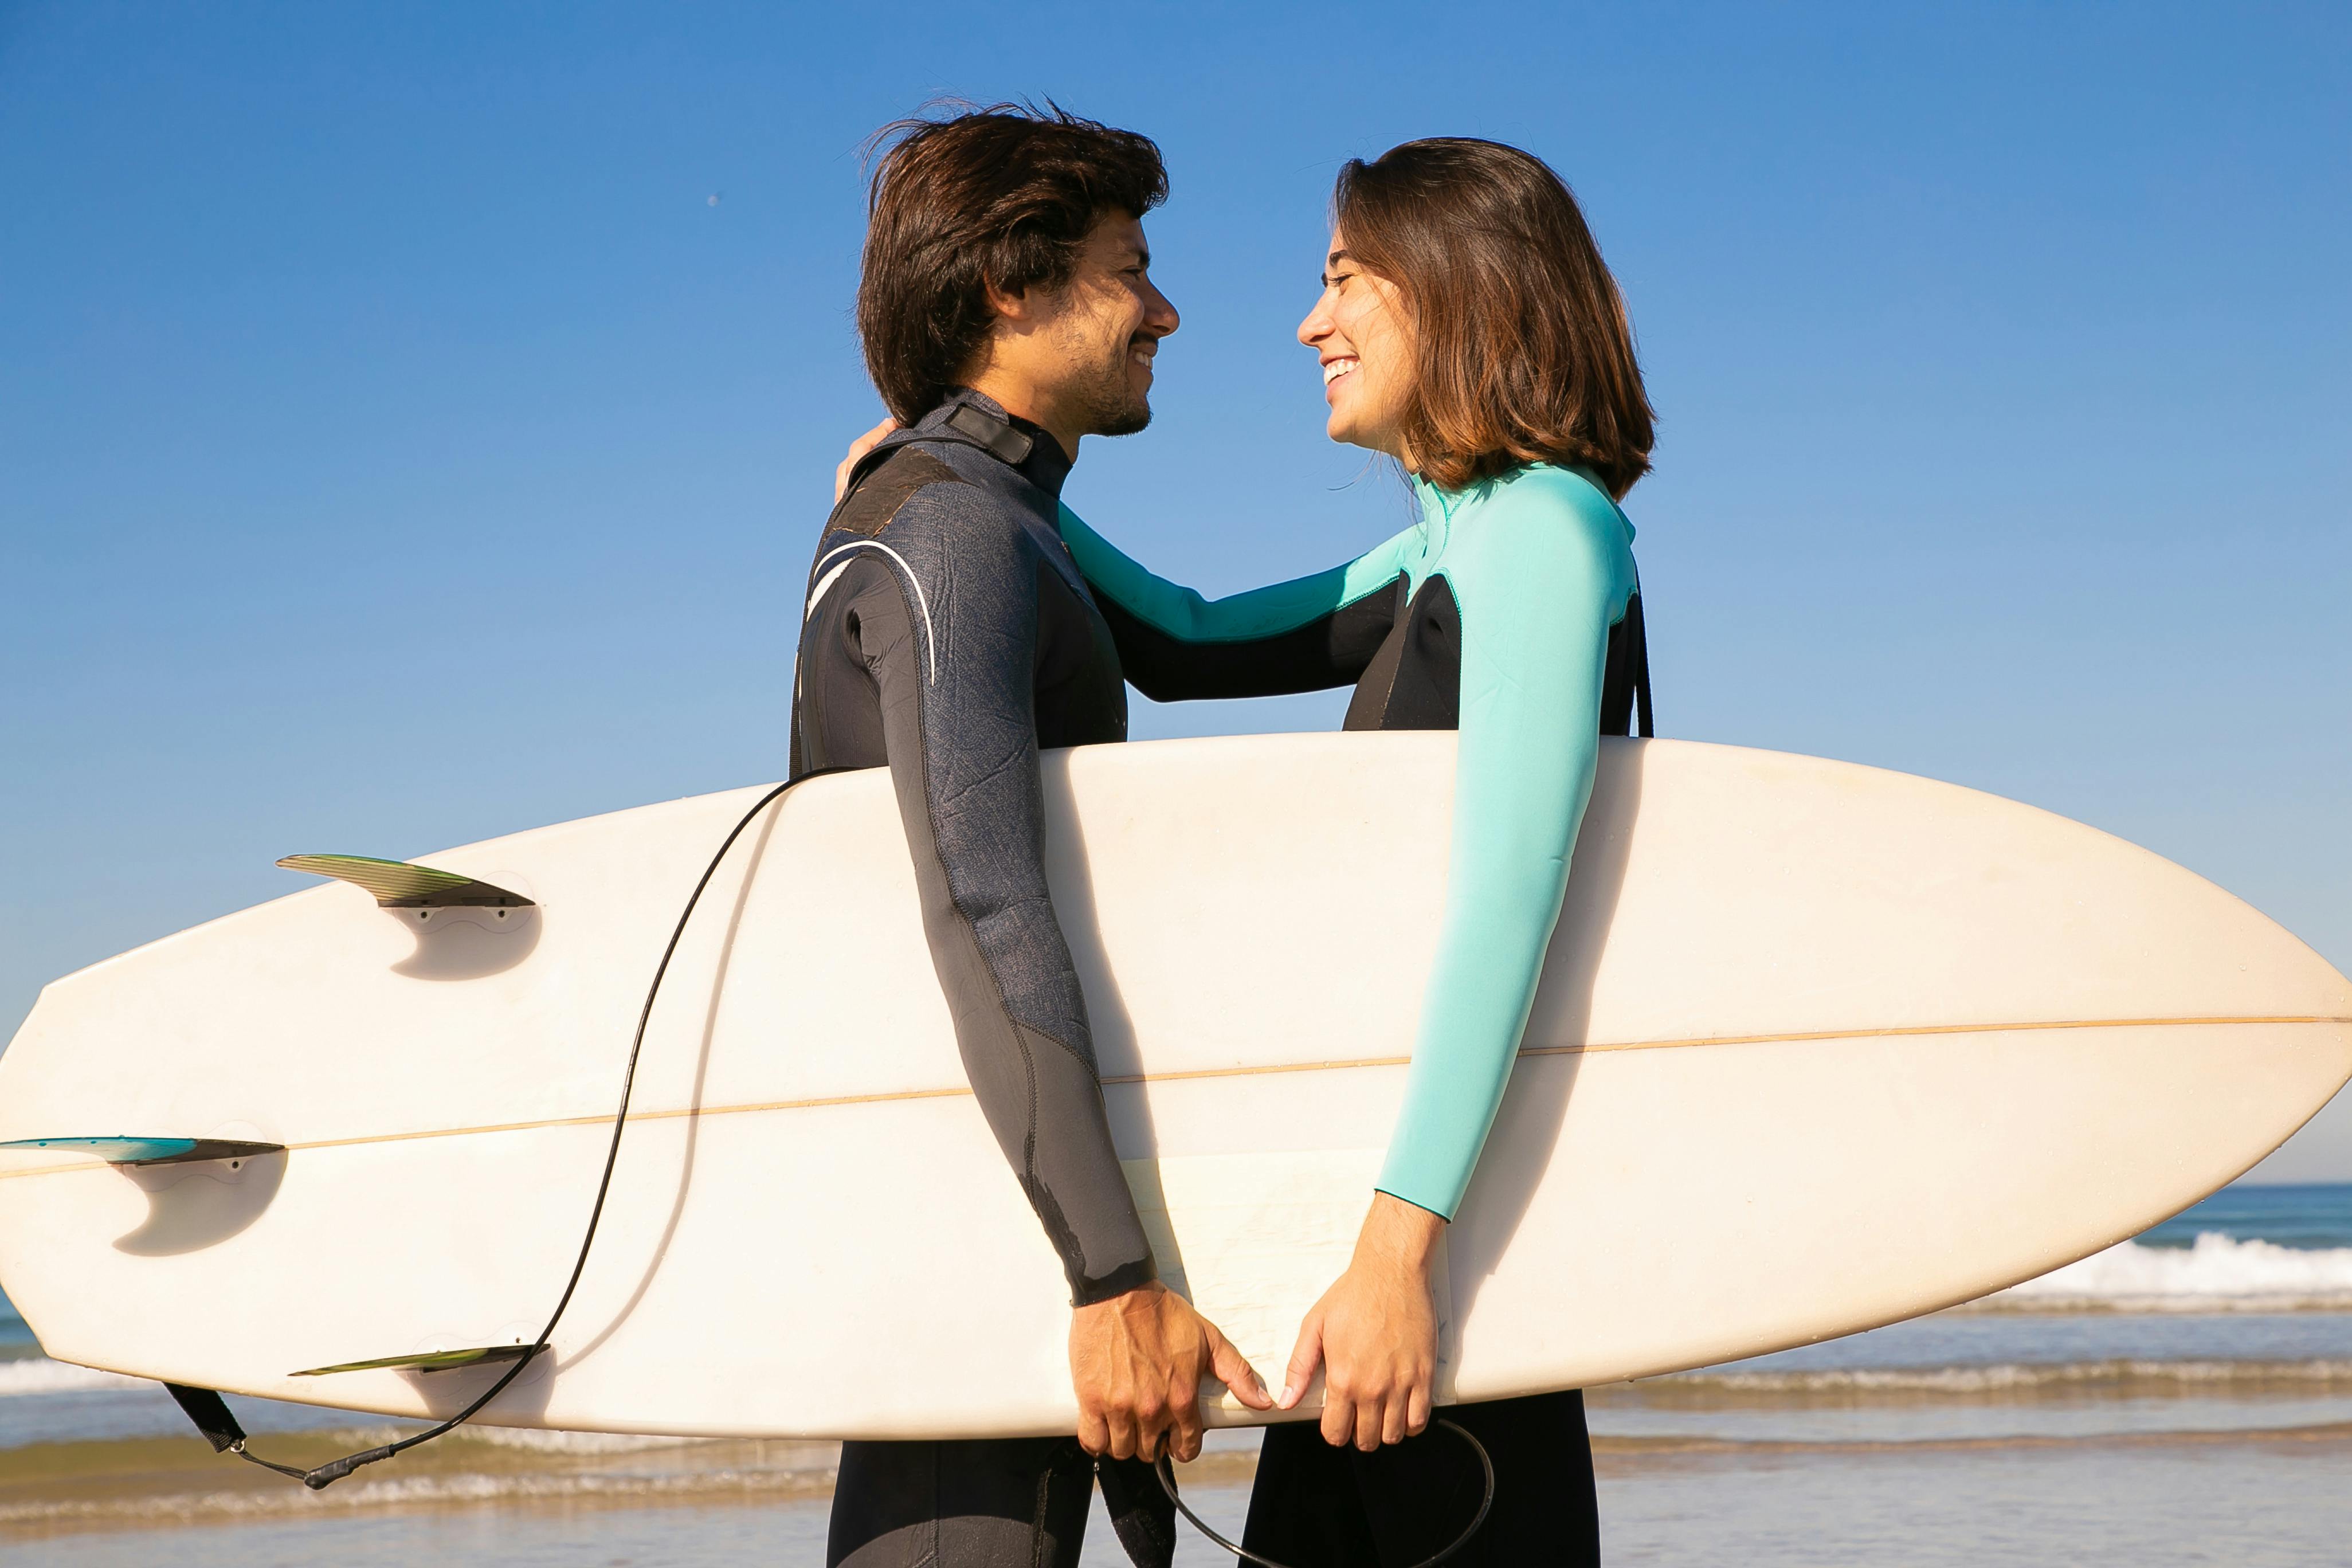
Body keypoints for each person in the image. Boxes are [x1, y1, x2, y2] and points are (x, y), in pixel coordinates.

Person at [1005, 137, 1653, 1566]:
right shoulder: (1456, 539)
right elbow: (1182, 641)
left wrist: (1396, 1260)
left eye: (1345, 278)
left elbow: (1508, 908)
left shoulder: (1545, 532)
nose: (1312, 323)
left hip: (1433, 1272)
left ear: (1461, 287)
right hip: (1374, 1259)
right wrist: (991, 472)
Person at [796, 104, 1273, 1568]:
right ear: (1014, 287)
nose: (1167, 308)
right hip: (989, 1228)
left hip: (1001, 1198)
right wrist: (1111, 1274)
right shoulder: (953, 530)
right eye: (1132, 267)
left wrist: (1495, 537)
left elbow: (1193, 643)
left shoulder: (994, 515)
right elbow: (984, 895)